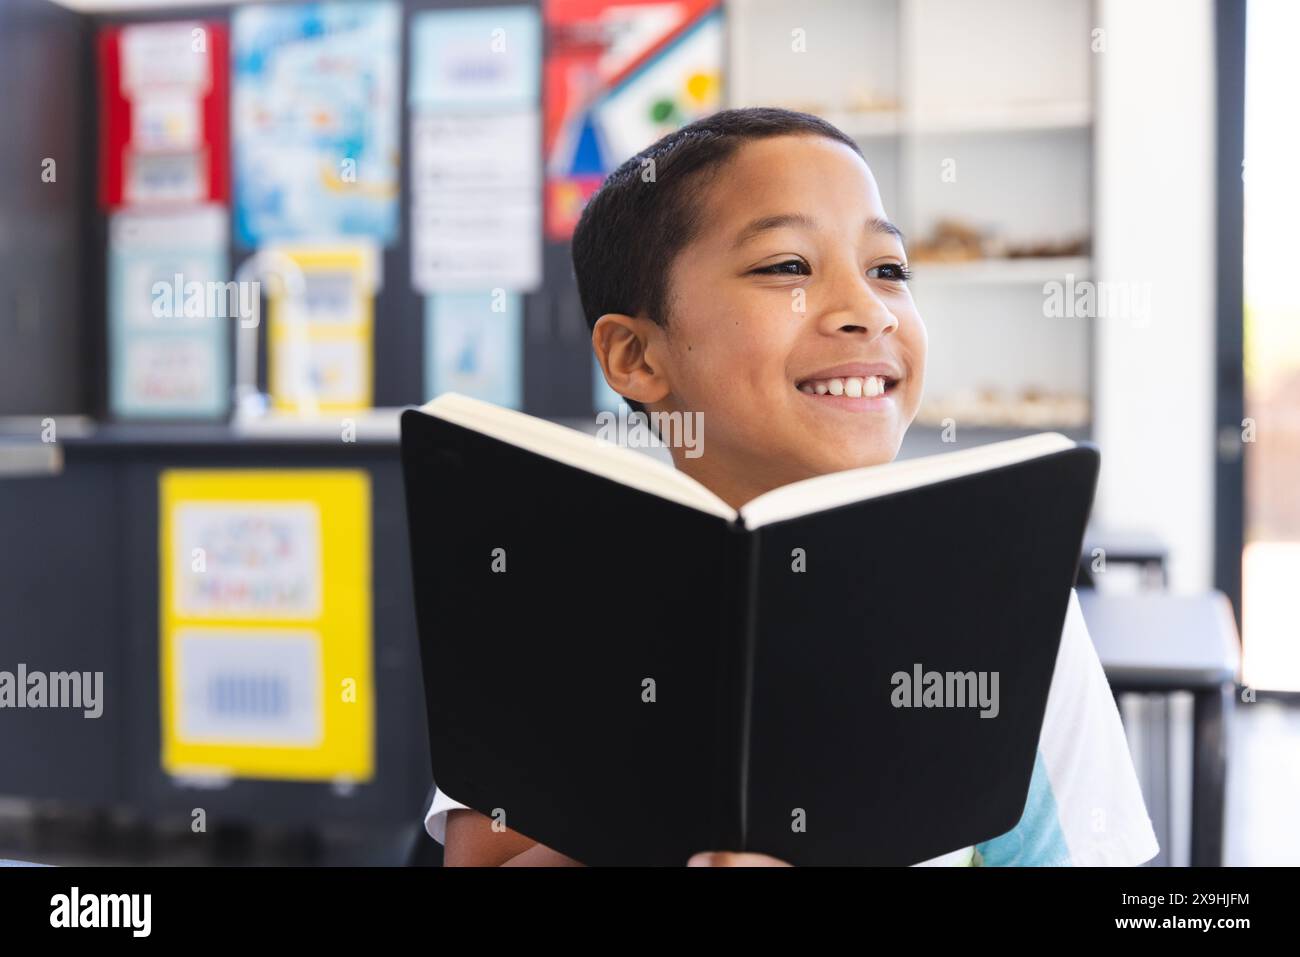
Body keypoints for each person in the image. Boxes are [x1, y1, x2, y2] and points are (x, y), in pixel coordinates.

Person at [426, 107, 1159, 868]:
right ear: (635, 354)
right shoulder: (542, 601)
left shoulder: (1005, 602)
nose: (867, 310)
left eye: (889, 270)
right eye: (786, 266)